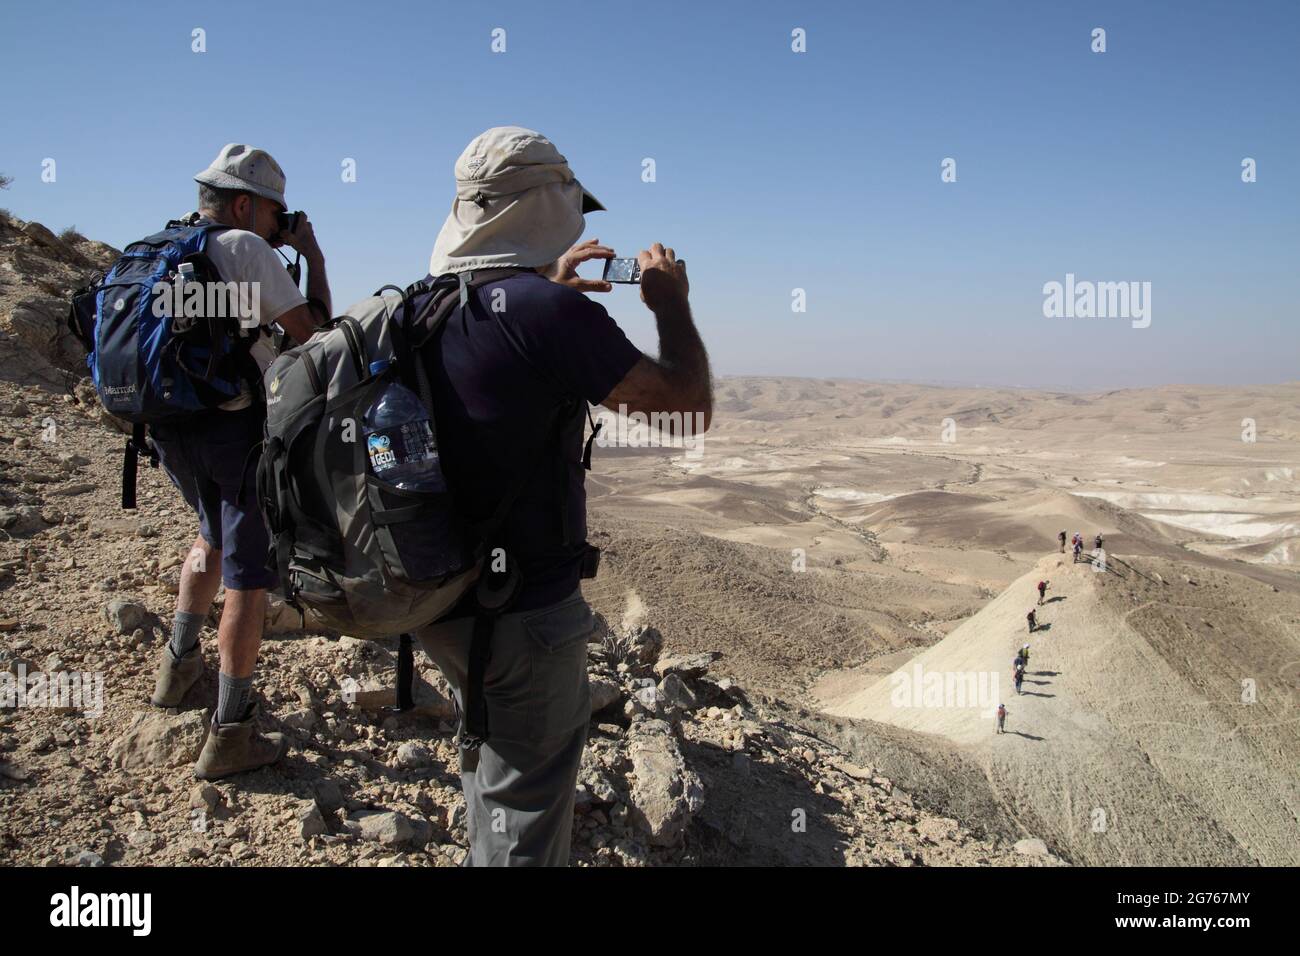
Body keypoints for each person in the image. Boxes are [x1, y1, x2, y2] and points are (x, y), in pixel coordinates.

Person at [411, 127, 712, 866]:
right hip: (520, 611)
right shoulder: (548, 315)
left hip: (434, 593)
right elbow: (686, 408)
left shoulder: (425, 303)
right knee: (527, 806)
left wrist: (548, 289)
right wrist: (670, 304)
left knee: (494, 763)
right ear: (546, 213)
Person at [148, 144, 329, 780]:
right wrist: (311, 258)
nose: (281, 222)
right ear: (246, 203)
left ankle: (177, 669)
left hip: (170, 428)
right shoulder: (244, 249)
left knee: (208, 537)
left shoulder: (162, 248)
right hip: (233, 430)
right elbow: (315, 338)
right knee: (250, 575)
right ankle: (231, 732)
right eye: (276, 211)